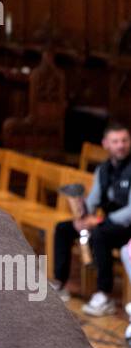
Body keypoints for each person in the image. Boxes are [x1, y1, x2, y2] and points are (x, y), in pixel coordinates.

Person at [53, 119, 131, 315]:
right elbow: (95, 198)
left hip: (125, 226)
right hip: (105, 222)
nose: (120, 145)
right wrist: (83, 212)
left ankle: (104, 294)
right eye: (115, 141)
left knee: (100, 235)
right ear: (106, 144)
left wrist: (98, 222)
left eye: (124, 140)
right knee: (63, 228)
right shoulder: (103, 169)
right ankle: (60, 282)